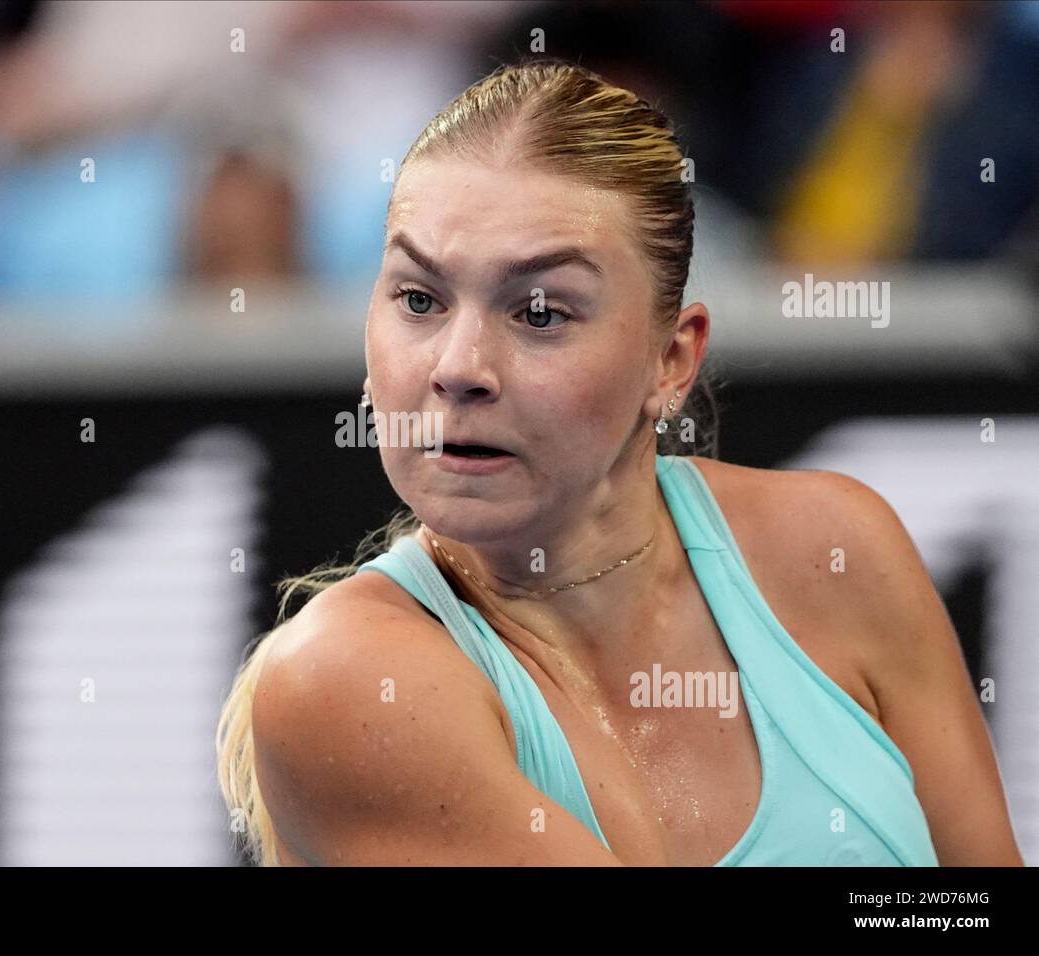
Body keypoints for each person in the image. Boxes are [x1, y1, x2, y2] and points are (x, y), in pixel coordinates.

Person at [216, 60, 1024, 867]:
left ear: (671, 361)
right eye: (419, 299)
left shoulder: (843, 546)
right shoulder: (344, 682)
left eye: (540, 312)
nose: (458, 366)